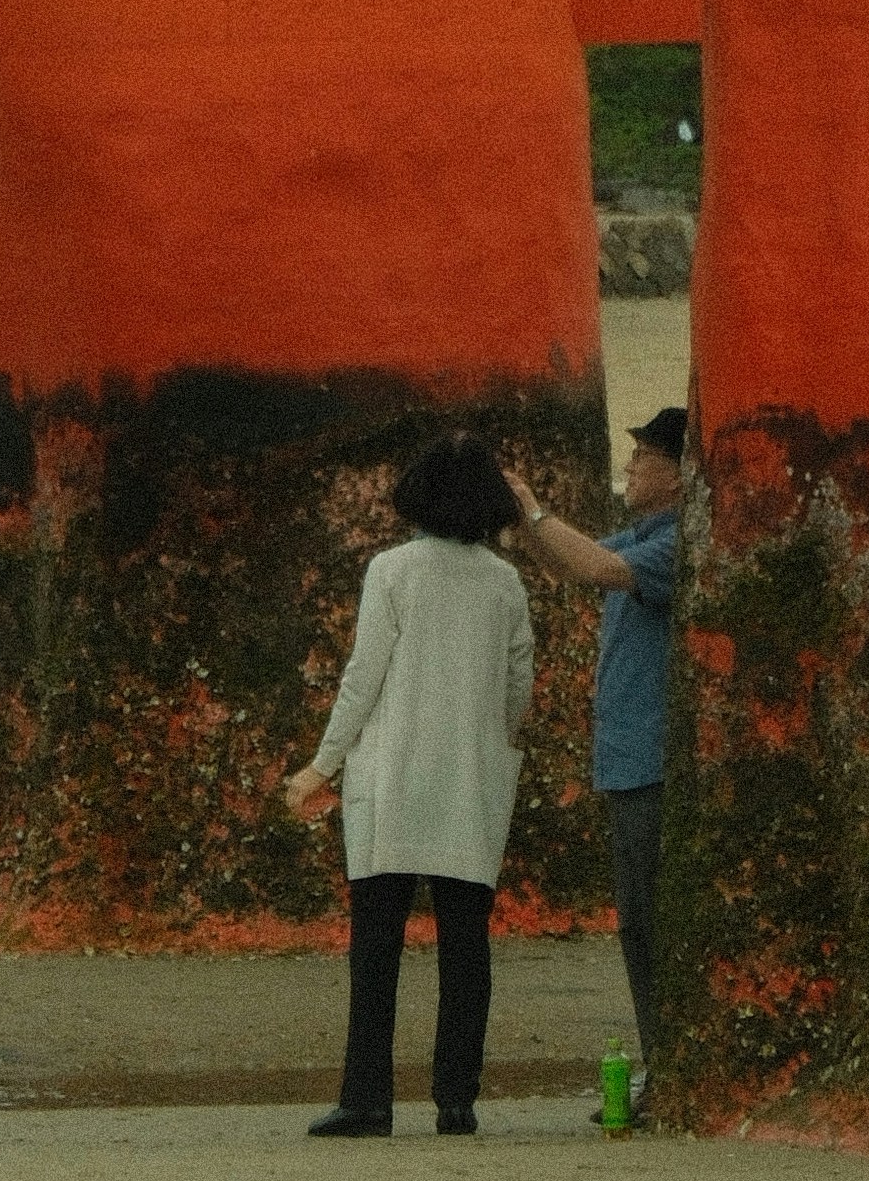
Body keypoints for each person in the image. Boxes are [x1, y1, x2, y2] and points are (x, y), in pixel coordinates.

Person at [290, 428, 535, 1135]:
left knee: (375, 948)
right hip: (471, 777)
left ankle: (367, 1097)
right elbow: (520, 681)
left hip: (390, 775)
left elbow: (363, 677)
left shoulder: (392, 571)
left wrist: (323, 764)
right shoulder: (505, 581)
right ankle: (456, 1097)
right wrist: (494, 731)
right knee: (467, 947)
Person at [515, 406, 691, 1064]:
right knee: (637, 925)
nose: (629, 468)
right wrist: (521, 520)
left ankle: (664, 1065)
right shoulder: (644, 536)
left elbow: (595, 570)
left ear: (678, 476)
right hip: (628, 759)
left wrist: (533, 512)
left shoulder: (676, 545)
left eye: (643, 458)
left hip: (651, 761)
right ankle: (658, 1063)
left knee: (651, 924)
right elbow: (571, 562)